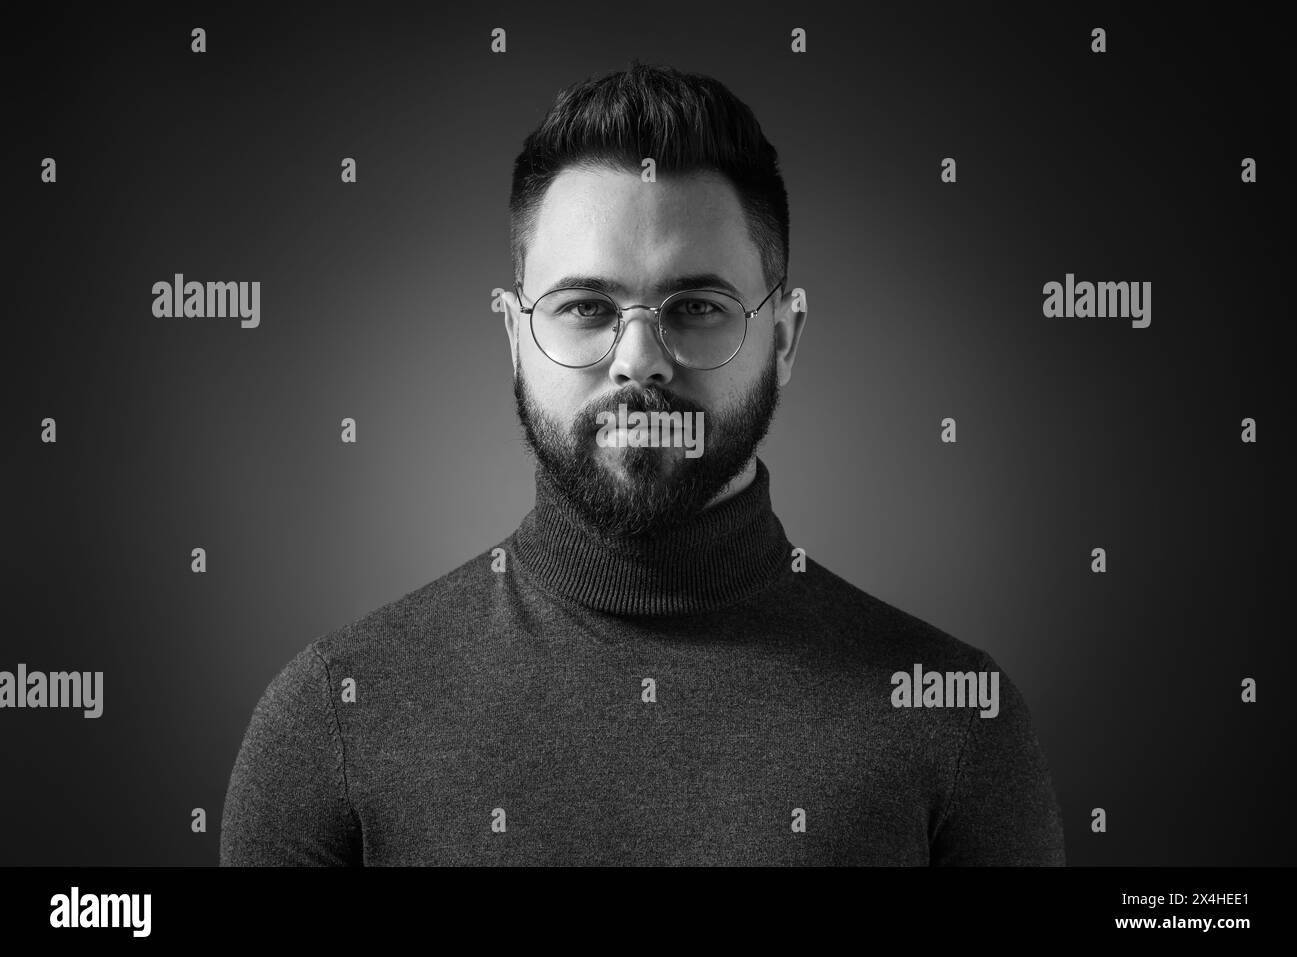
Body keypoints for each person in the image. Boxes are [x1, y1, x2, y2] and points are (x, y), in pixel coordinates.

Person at [220, 60, 1067, 866]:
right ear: (514, 338)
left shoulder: (955, 717)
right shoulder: (334, 713)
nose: (640, 360)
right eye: (586, 306)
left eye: (696, 306)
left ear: (784, 337)